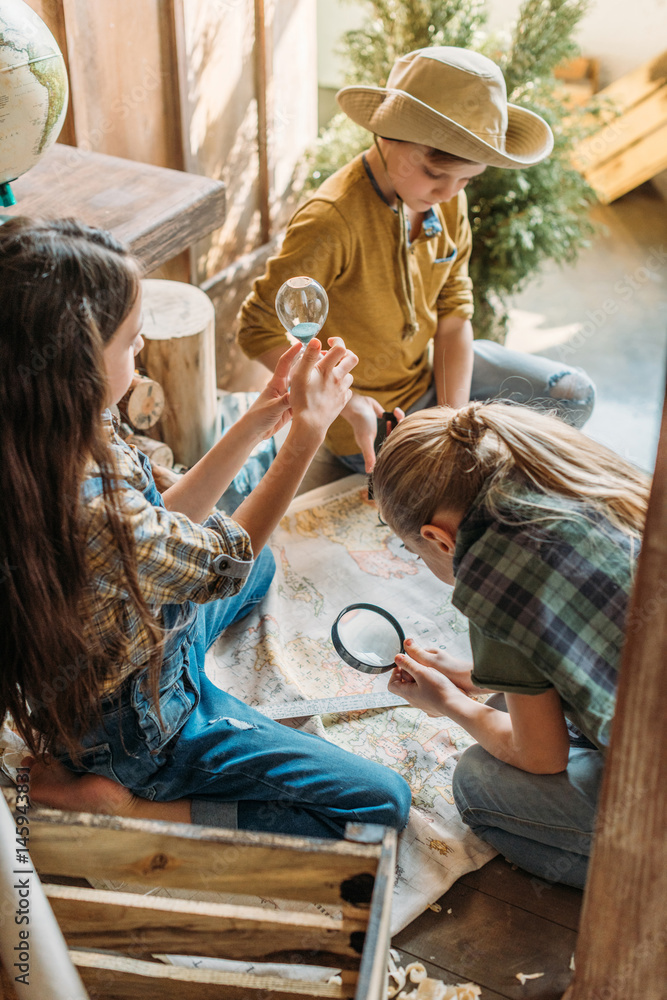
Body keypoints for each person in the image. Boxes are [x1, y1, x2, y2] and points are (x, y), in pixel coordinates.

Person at [0, 217, 411, 838]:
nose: (140, 353)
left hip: (133, 648)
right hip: (138, 725)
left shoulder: (52, 420)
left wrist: (257, 423)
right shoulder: (88, 509)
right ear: (79, 357)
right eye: (133, 340)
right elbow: (226, 562)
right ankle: (128, 804)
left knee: (266, 562)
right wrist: (304, 439)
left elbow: (173, 526)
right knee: (382, 803)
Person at [237, 46, 596, 475]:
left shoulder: (447, 200)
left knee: (574, 396)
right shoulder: (331, 221)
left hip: (431, 376)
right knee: (467, 490)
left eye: (466, 179)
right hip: (366, 418)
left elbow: (453, 316)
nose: (449, 194)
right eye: (435, 174)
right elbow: (256, 327)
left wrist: (453, 423)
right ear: (388, 137)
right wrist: (345, 401)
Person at [370, 401, 648, 888]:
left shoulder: (490, 567)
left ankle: (640, 885)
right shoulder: (569, 474)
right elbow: (589, 630)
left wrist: (450, 702)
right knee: (504, 699)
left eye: (415, 551)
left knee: (476, 784)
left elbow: (541, 757)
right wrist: (480, 675)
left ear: (438, 539)